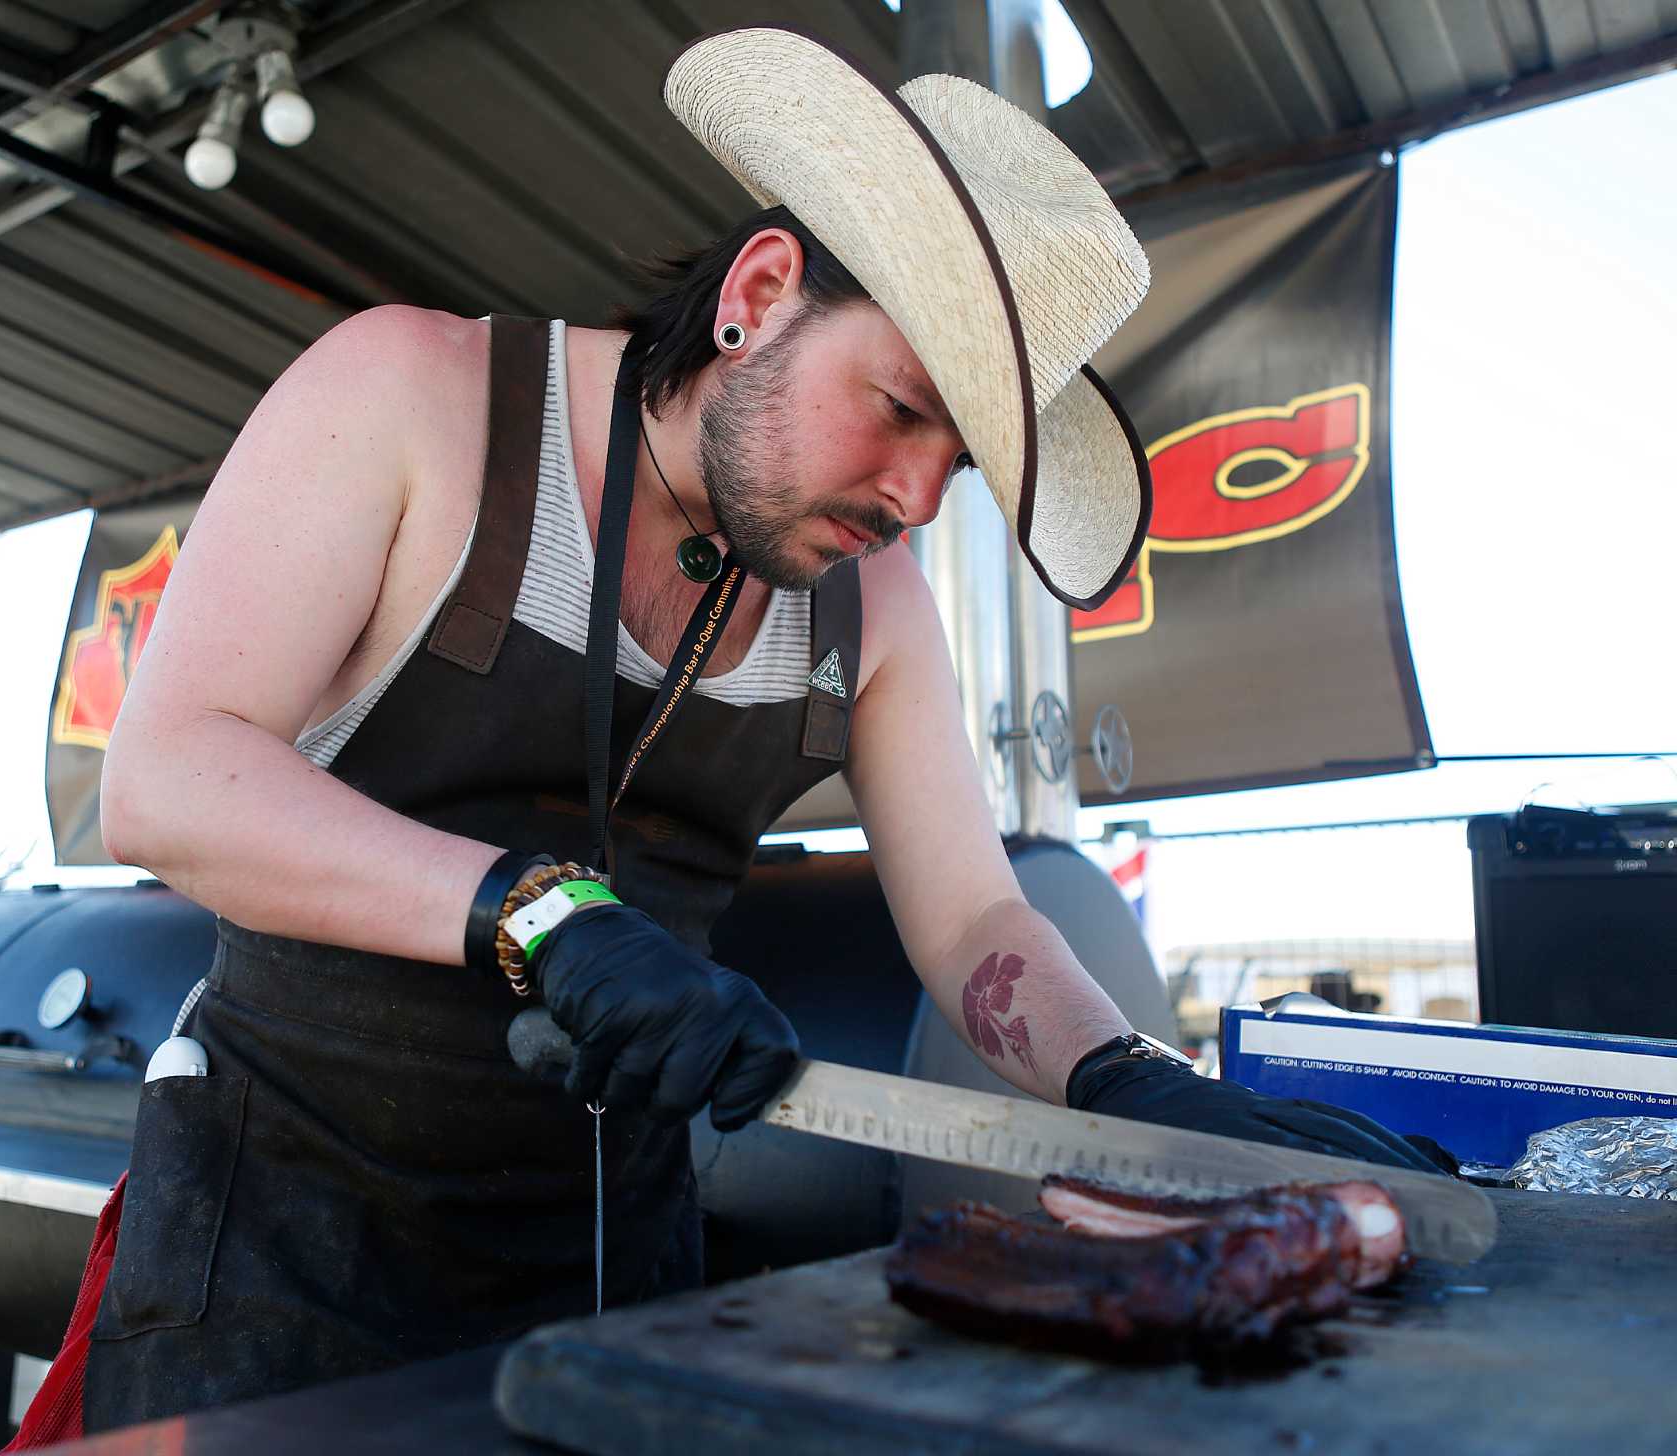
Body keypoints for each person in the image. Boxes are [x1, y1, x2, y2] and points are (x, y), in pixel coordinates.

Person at [76, 28, 1450, 1433]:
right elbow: (171, 776)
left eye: (959, 462)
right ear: (763, 292)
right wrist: (541, 917)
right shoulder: (415, 402)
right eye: (901, 407)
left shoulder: (879, 608)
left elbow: (976, 919)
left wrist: (1130, 1081)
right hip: (287, 1242)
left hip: (623, 1252)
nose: (917, 498)